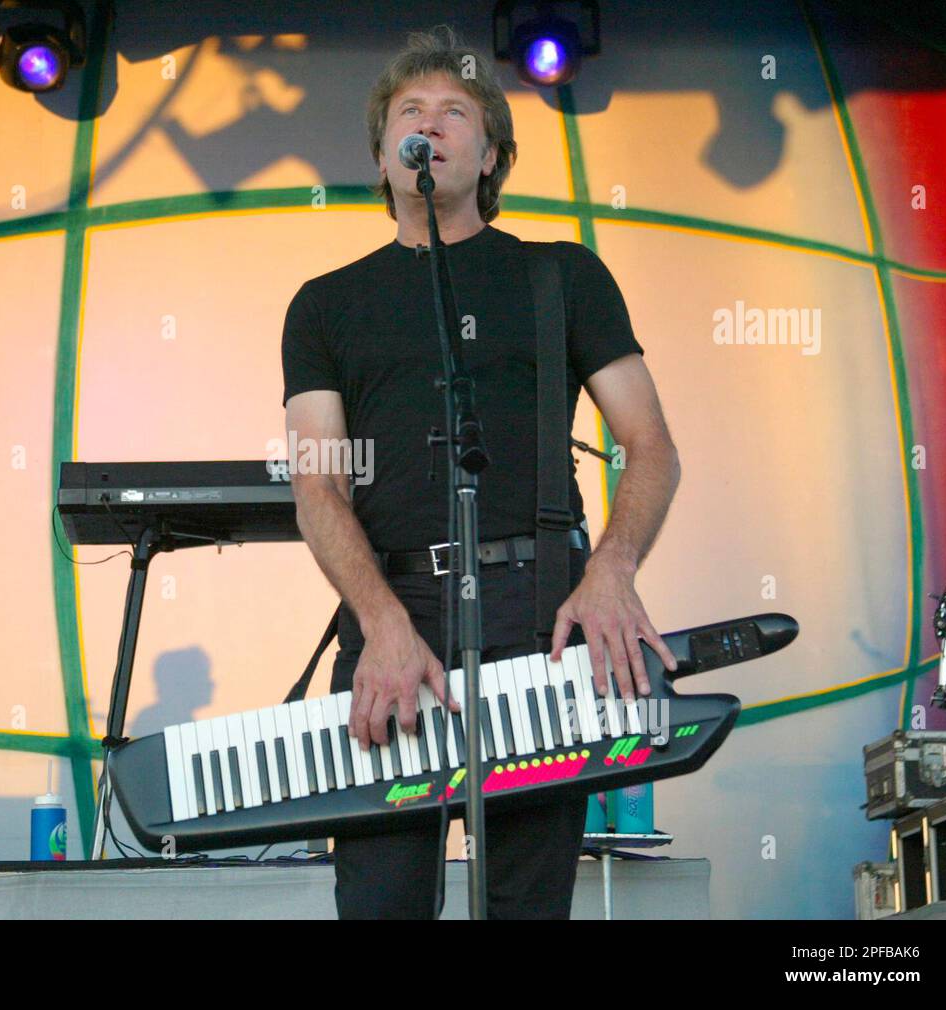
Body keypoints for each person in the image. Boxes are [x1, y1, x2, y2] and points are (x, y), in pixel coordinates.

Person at [280, 25, 681, 919]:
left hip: (538, 614)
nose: (431, 124)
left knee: (525, 908)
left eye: (455, 111)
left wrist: (610, 571)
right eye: (410, 113)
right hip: (394, 623)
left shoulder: (562, 277)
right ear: (383, 157)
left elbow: (648, 444)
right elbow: (317, 485)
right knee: (381, 904)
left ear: (492, 153)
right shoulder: (324, 305)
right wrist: (380, 623)